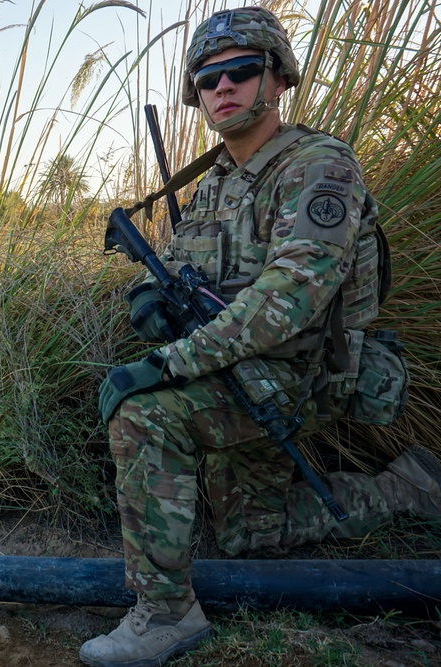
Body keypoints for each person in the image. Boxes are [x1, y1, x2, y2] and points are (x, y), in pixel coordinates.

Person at [81, 7, 441, 667]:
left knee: (142, 414)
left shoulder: (319, 166)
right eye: (207, 79)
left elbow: (290, 298)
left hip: (302, 376)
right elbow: (178, 266)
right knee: (249, 533)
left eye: (241, 70)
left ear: (277, 79)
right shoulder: (214, 182)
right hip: (236, 370)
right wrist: (147, 300)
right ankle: (408, 488)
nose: (223, 87)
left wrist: (170, 362)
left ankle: (167, 615)